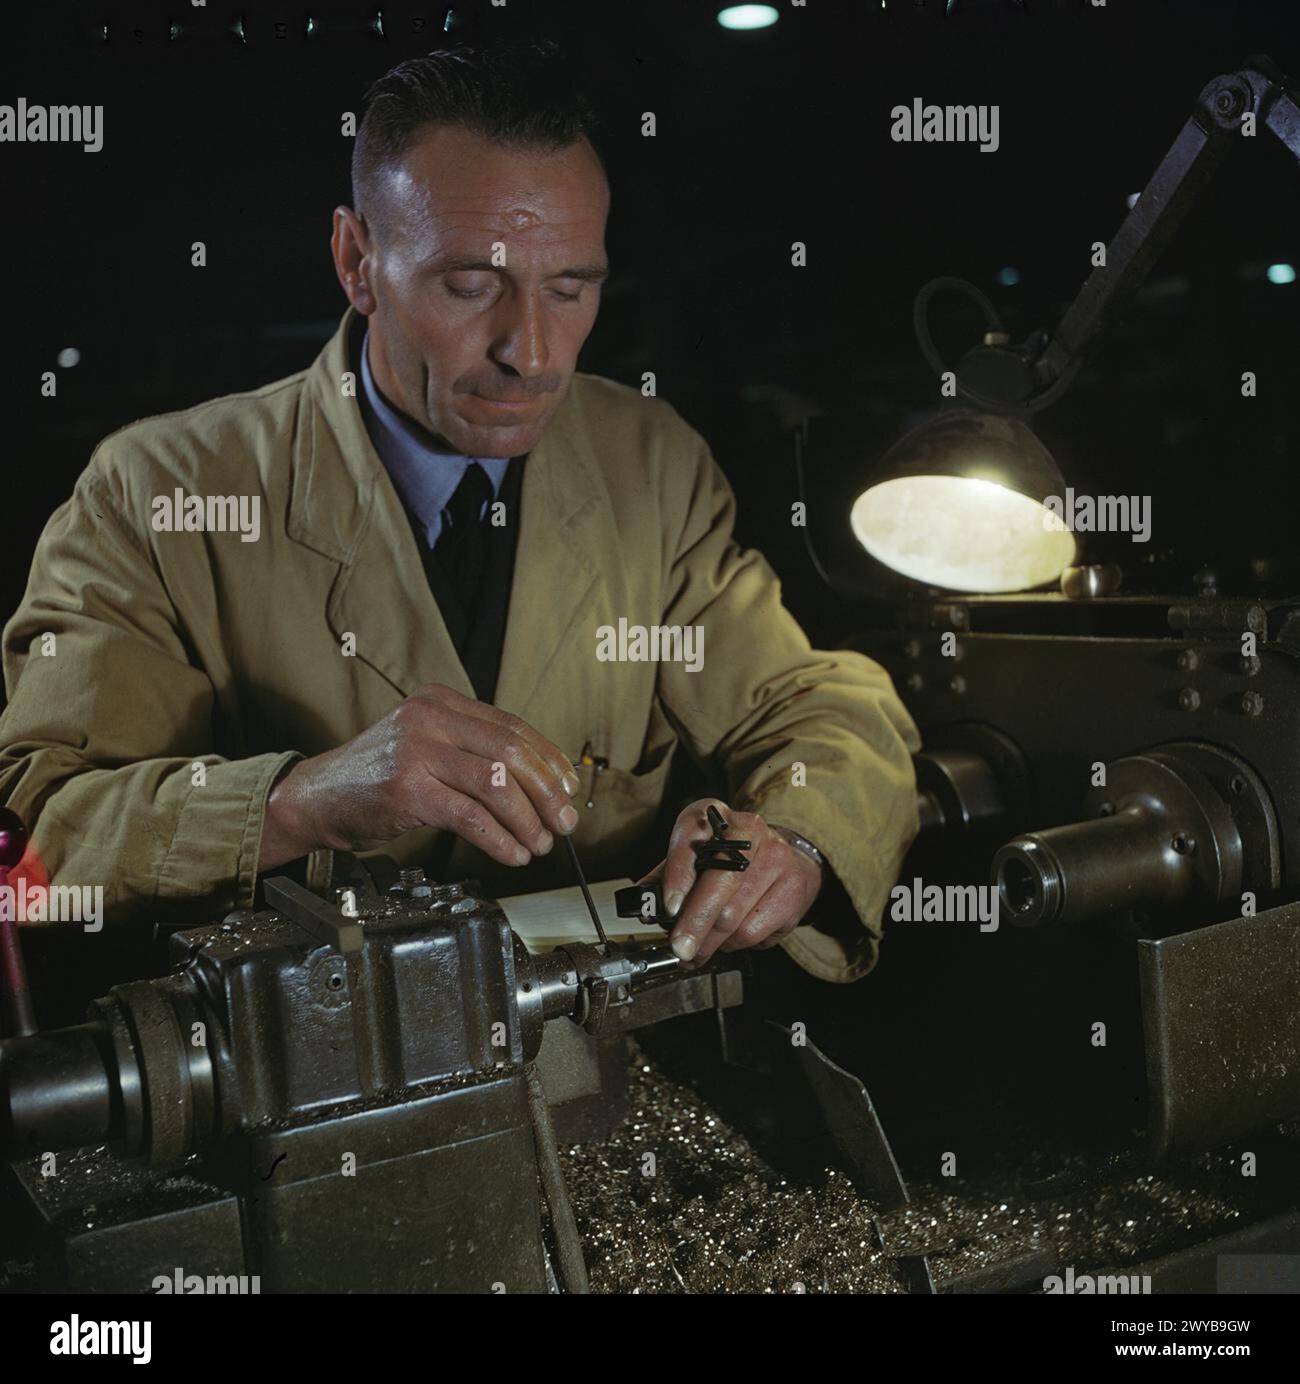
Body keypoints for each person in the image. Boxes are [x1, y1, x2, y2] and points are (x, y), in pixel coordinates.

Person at [0, 44, 920, 982]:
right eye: (471, 286)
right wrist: (298, 798)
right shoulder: (161, 492)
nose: (533, 353)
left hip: (599, 1067)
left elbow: (812, 704)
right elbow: (37, 840)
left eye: (571, 288)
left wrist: (793, 841)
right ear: (357, 262)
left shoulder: (648, 460)